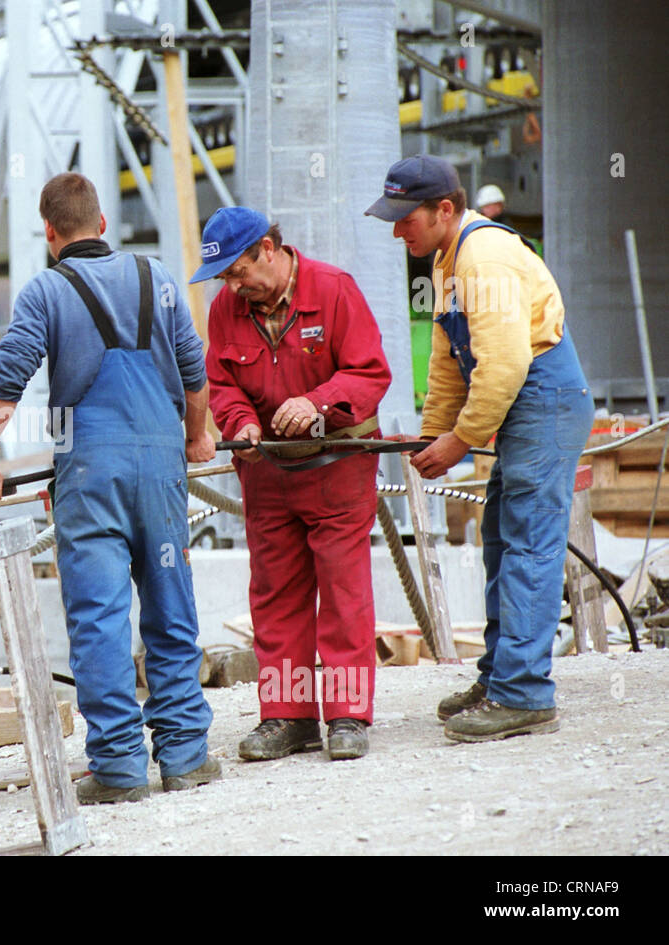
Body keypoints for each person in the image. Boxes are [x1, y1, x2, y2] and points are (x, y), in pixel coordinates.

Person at [0, 172, 219, 803]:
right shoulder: (158, 277)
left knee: (99, 619)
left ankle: (119, 770)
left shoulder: (46, 292)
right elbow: (193, 369)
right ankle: (185, 756)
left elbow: (8, 376)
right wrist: (197, 437)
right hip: (161, 468)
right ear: (103, 224)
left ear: (51, 233)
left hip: (90, 471)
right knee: (171, 607)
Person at [366, 154, 594, 741]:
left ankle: (523, 694)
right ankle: (501, 676)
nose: (397, 231)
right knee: (501, 536)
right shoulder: (448, 260)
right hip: (525, 397)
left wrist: (459, 440)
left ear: (445, 209)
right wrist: (430, 437)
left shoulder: (483, 258)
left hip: (542, 393)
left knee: (526, 541)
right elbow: (449, 364)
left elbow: (507, 362)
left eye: (404, 218)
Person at [196, 207, 392, 761]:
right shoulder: (225, 312)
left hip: (339, 466)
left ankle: (348, 716)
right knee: (276, 594)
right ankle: (289, 717)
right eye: (224, 279)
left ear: (267, 248)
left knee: (344, 591)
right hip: (268, 475)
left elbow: (371, 372)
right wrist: (241, 423)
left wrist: (316, 402)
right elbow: (221, 383)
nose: (233, 287)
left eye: (237, 272)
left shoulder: (334, 290)